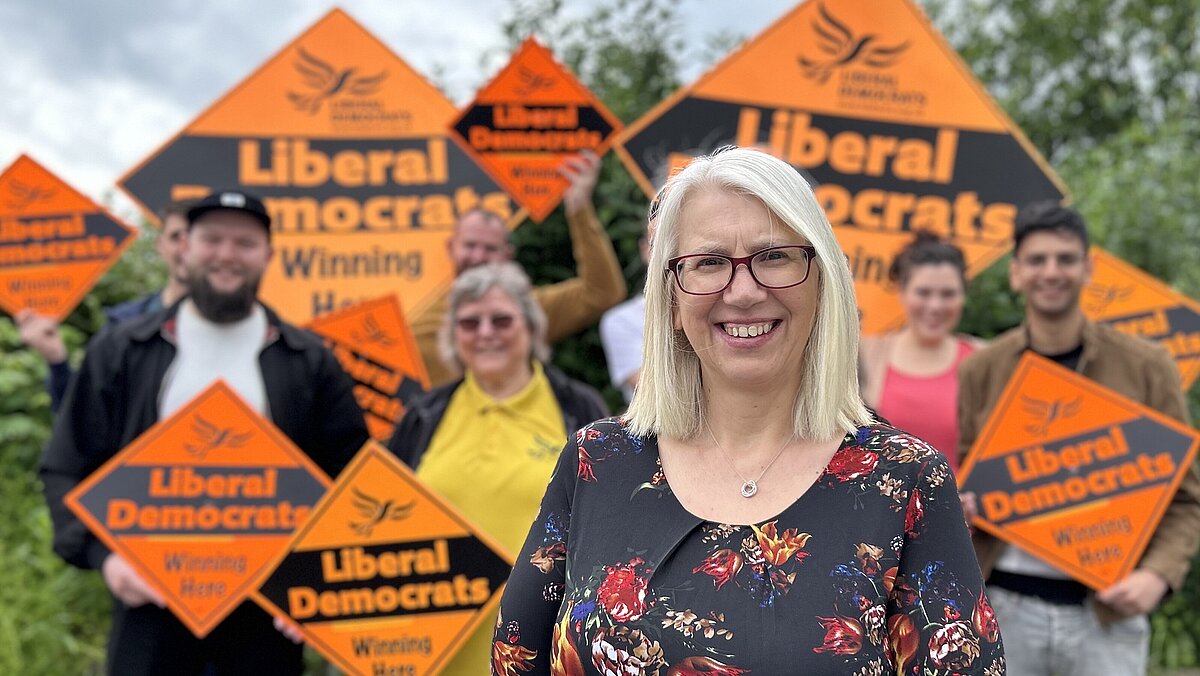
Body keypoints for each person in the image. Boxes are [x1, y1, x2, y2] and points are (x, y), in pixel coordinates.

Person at [493, 147, 1003, 674]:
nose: (742, 291)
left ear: (823, 281)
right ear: (669, 298)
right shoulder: (596, 462)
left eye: (775, 257)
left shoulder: (907, 480)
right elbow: (516, 657)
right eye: (709, 262)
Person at [40, 190, 368, 675]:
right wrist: (105, 557)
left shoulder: (309, 359)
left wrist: (316, 578)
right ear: (183, 248)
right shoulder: (123, 350)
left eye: (245, 243)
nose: (226, 255)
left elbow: (353, 477)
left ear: (269, 256)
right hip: (149, 604)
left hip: (268, 608)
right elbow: (66, 463)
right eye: (211, 239)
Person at [958, 201, 1200, 676]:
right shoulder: (980, 370)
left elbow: (1187, 498)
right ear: (1016, 273)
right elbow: (972, 481)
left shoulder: (1147, 366)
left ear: (1088, 268)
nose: (1052, 271)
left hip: (1106, 617)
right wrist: (965, 505)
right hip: (1006, 608)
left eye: (1065, 259)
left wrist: (1158, 575)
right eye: (1038, 260)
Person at [388, 261, 608, 675]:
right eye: (470, 323)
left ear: (530, 326)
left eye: (501, 320)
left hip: (541, 650)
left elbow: (610, 526)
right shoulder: (421, 417)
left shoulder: (578, 410)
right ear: (453, 336)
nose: (485, 333)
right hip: (432, 654)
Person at [410, 150, 625, 387]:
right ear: (451, 247)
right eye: (470, 245)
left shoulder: (527, 305)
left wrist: (579, 207)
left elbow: (602, 293)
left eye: (501, 321)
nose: (478, 256)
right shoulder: (415, 309)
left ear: (507, 255)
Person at [16, 199, 192, 411]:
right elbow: (83, 418)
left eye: (199, 237)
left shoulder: (241, 328)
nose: (187, 248)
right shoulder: (123, 325)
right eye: (176, 237)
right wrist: (56, 359)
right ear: (159, 245)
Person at [860, 232, 984, 473]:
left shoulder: (984, 359)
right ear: (902, 291)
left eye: (948, 294)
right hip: (884, 508)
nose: (935, 306)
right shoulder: (863, 355)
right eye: (923, 293)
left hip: (964, 508)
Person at [599, 210, 653, 404]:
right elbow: (649, 392)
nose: (667, 251)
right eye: (657, 242)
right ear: (644, 249)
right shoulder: (620, 320)